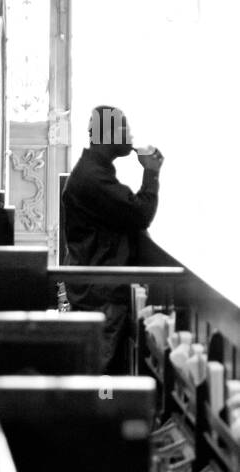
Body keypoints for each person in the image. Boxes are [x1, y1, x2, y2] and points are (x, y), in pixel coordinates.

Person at [62, 106, 165, 372]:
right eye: (124, 129)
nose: (130, 135)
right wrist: (151, 173)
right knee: (101, 375)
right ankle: (99, 409)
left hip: (93, 286)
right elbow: (140, 213)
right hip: (100, 292)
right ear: (107, 135)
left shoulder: (93, 171)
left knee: (99, 370)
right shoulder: (93, 179)